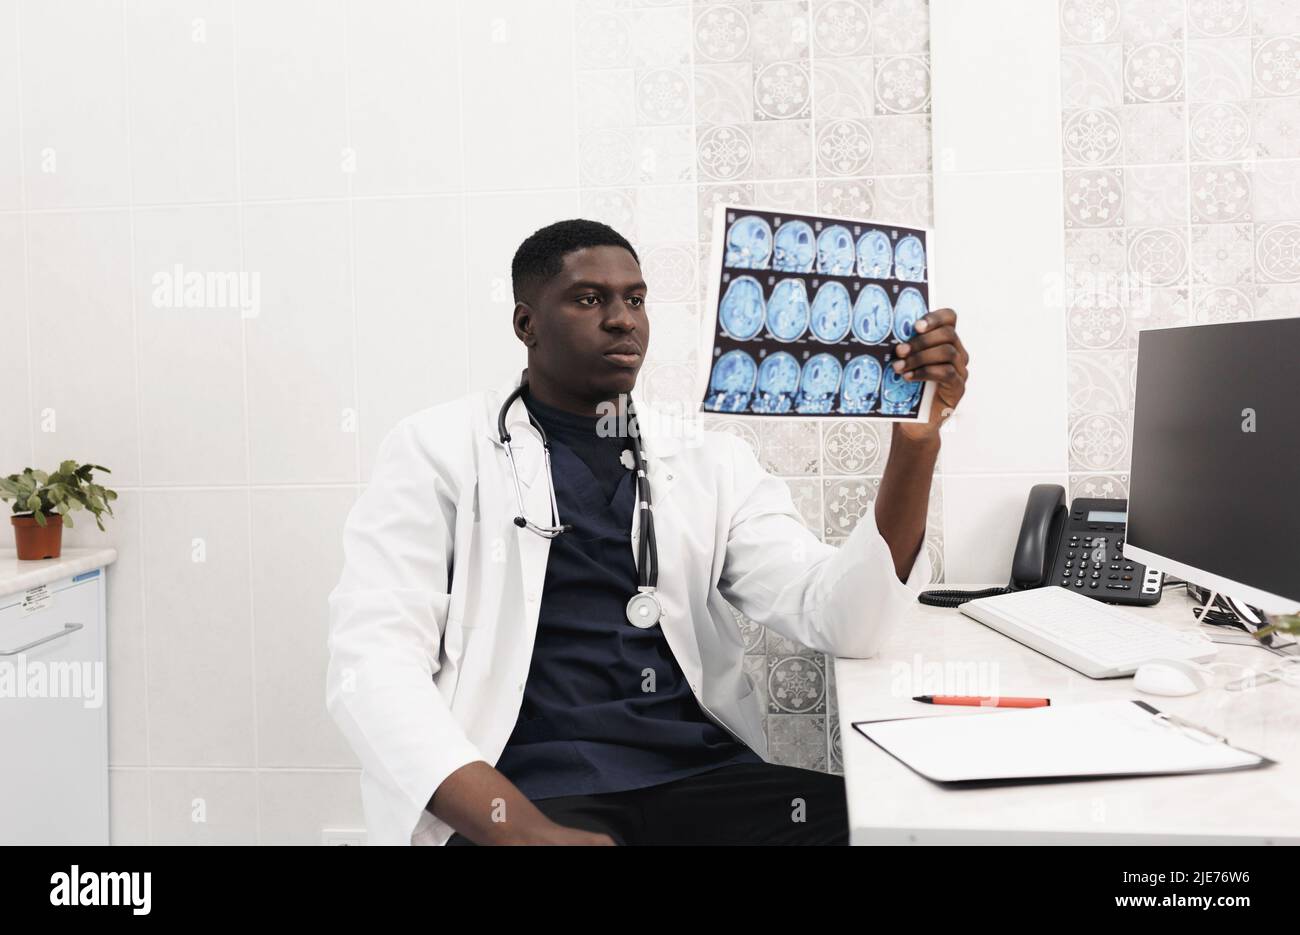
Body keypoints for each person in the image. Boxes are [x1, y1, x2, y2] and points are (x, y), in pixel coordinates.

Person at [325, 219, 969, 845]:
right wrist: (518, 830)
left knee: (910, 830)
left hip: (701, 780)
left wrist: (916, 442)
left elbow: (841, 620)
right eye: (588, 299)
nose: (622, 319)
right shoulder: (436, 452)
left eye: (635, 299)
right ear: (526, 324)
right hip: (529, 794)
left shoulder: (708, 461)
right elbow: (372, 667)